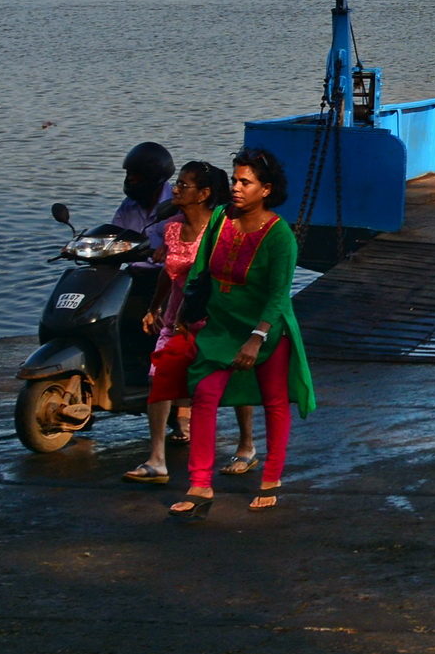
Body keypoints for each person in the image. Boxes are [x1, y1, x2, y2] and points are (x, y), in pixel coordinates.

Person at [167, 148, 316, 521]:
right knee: (204, 394)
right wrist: (186, 312)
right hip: (220, 326)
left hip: (264, 327)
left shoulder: (280, 236)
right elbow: (200, 270)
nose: (235, 187)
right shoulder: (219, 218)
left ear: (265, 190)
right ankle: (200, 485)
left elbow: (279, 294)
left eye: (245, 182)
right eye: (234, 180)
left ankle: (271, 478)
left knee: (274, 401)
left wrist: (257, 337)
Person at [122, 161, 254, 485]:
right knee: (160, 379)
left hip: (215, 319)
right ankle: (156, 460)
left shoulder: (225, 230)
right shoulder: (172, 229)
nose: (176, 189)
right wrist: (154, 308)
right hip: (176, 320)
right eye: (178, 184)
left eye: (183, 185)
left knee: (234, 381)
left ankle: (247, 446)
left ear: (204, 194)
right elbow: (169, 275)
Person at [105, 142, 176, 237]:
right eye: (129, 173)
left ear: (152, 175)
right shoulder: (128, 205)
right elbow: (114, 236)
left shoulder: (177, 204)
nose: (130, 178)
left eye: (136, 173)